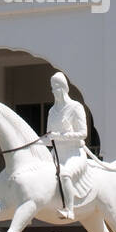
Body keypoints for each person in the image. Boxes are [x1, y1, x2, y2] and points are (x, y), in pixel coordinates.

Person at [45, 73, 93, 221]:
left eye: (57, 87)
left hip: (74, 154)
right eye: (52, 88)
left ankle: (69, 209)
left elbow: (83, 133)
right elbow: (49, 137)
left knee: (64, 174)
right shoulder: (52, 111)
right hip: (56, 154)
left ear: (64, 88)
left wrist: (61, 136)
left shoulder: (75, 107)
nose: (54, 91)